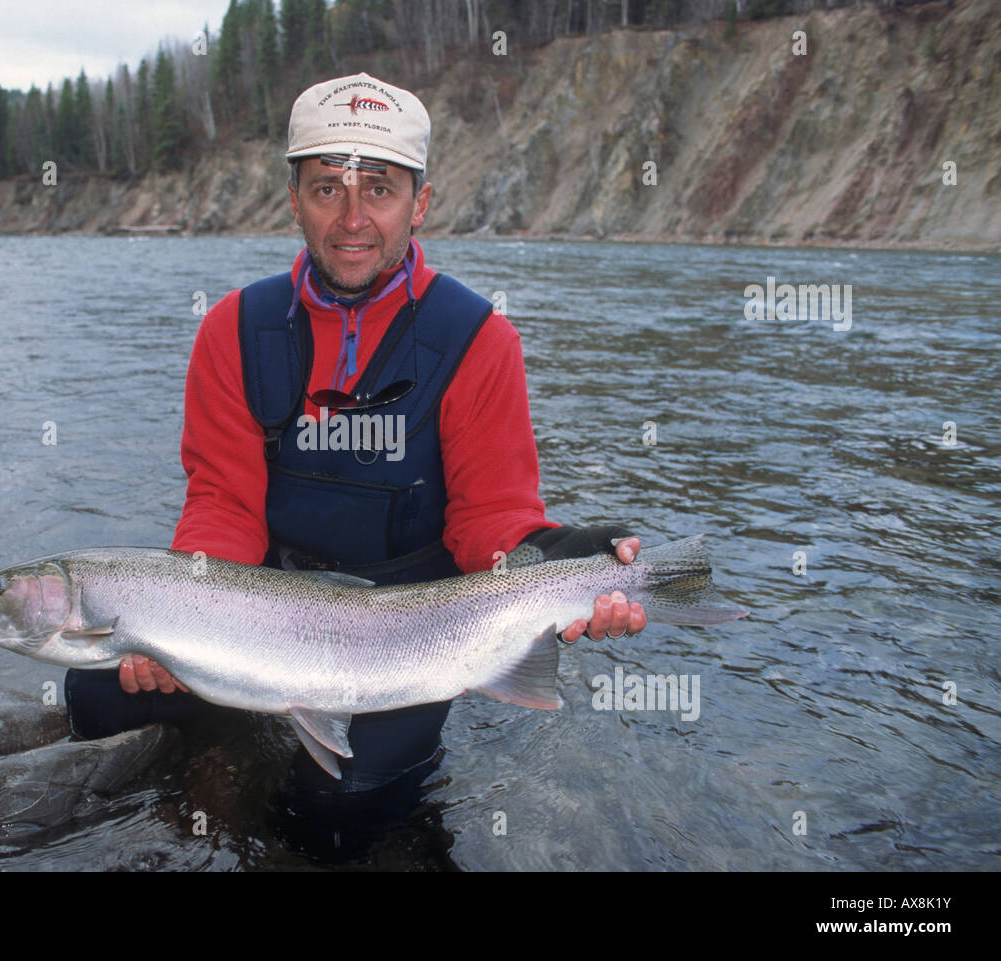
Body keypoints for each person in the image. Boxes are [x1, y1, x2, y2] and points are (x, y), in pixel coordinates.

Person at [66, 73, 646, 858]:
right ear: (294, 198)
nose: (351, 218)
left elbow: (490, 521)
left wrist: (563, 563)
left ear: (421, 202)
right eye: (326, 187)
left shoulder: (480, 340)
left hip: (410, 631)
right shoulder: (232, 330)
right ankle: (220, 753)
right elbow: (225, 509)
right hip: (262, 613)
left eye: (378, 188)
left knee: (343, 809)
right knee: (94, 695)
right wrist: (173, 627)